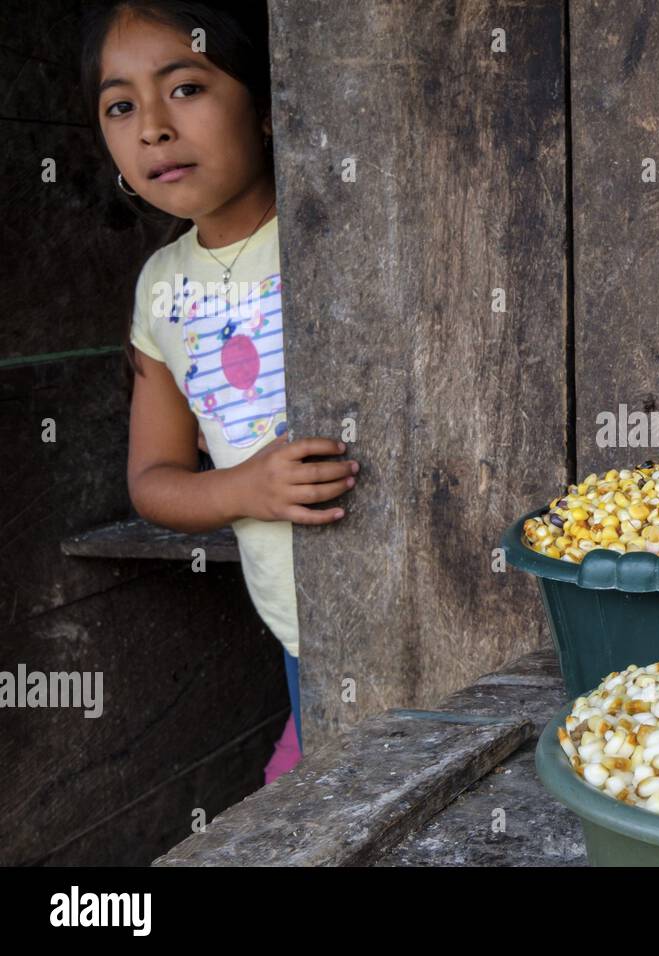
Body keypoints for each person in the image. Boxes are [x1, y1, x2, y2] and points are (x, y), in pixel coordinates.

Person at [81, 0, 359, 783]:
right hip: (306, 636)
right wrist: (247, 488)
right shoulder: (160, 288)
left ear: (268, 109)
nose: (153, 128)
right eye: (121, 106)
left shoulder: (343, 226)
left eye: (188, 88)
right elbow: (154, 480)